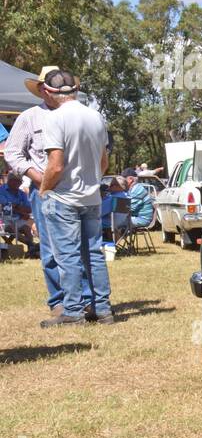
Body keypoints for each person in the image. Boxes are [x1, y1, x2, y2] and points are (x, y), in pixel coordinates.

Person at [3, 65, 89, 317]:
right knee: (51, 249)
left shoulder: (80, 115)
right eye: (52, 86)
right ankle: (59, 301)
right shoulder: (29, 117)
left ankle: (82, 299)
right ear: (42, 89)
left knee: (81, 246)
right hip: (45, 192)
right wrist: (34, 174)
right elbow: (12, 153)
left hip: (77, 189)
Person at [35, 69, 113, 327]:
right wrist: (89, 181)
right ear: (75, 90)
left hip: (64, 198)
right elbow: (104, 162)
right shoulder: (96, 117)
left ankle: (73, 312)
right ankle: (103, 310)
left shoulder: (54, 119)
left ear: (49, 91)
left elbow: (55, 165)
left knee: (67, 256)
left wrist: (44, 189)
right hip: (92, 198)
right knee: (94, 253)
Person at [0, 170, 37, 257]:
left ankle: (31, 252)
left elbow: (28, 209)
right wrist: (20, 209)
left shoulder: (22, 194)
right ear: (10, 180)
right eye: (17, 181)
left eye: (20, 181)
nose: (19, 183)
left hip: (17, 218)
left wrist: (16, 207)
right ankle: (33, 245)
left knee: (27, 228)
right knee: (11, 228)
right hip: (3, 219)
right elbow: (6, 205)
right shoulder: (1, 190)